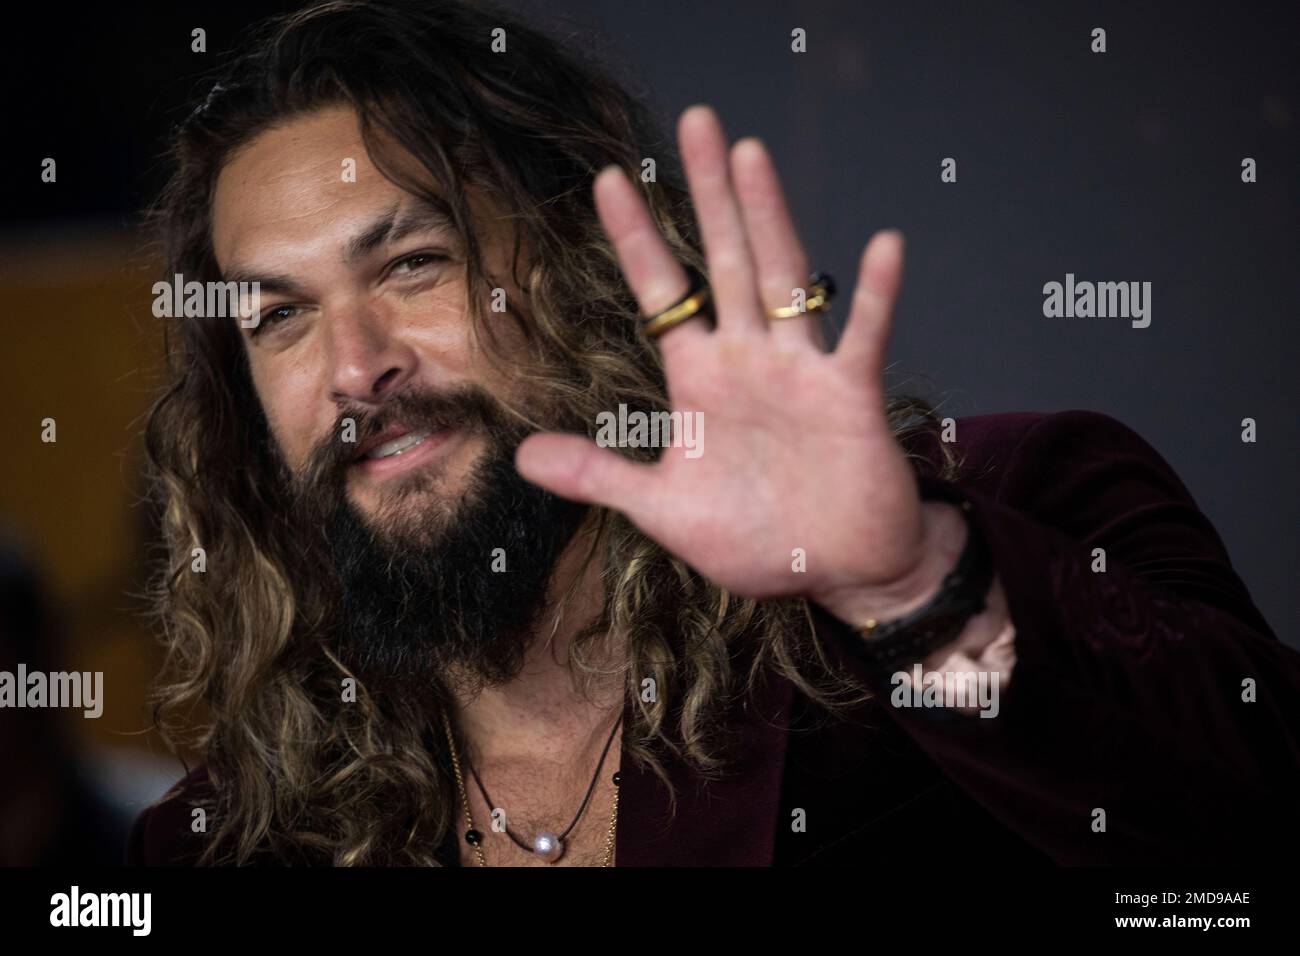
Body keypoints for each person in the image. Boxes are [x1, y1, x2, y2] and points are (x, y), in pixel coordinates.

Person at [127, 0, 1300, 867]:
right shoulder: (214, 842)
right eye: (278, 315)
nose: (352, 364)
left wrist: (908, 583)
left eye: (417, 263)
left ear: (581, 261)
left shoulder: (1016, 500)